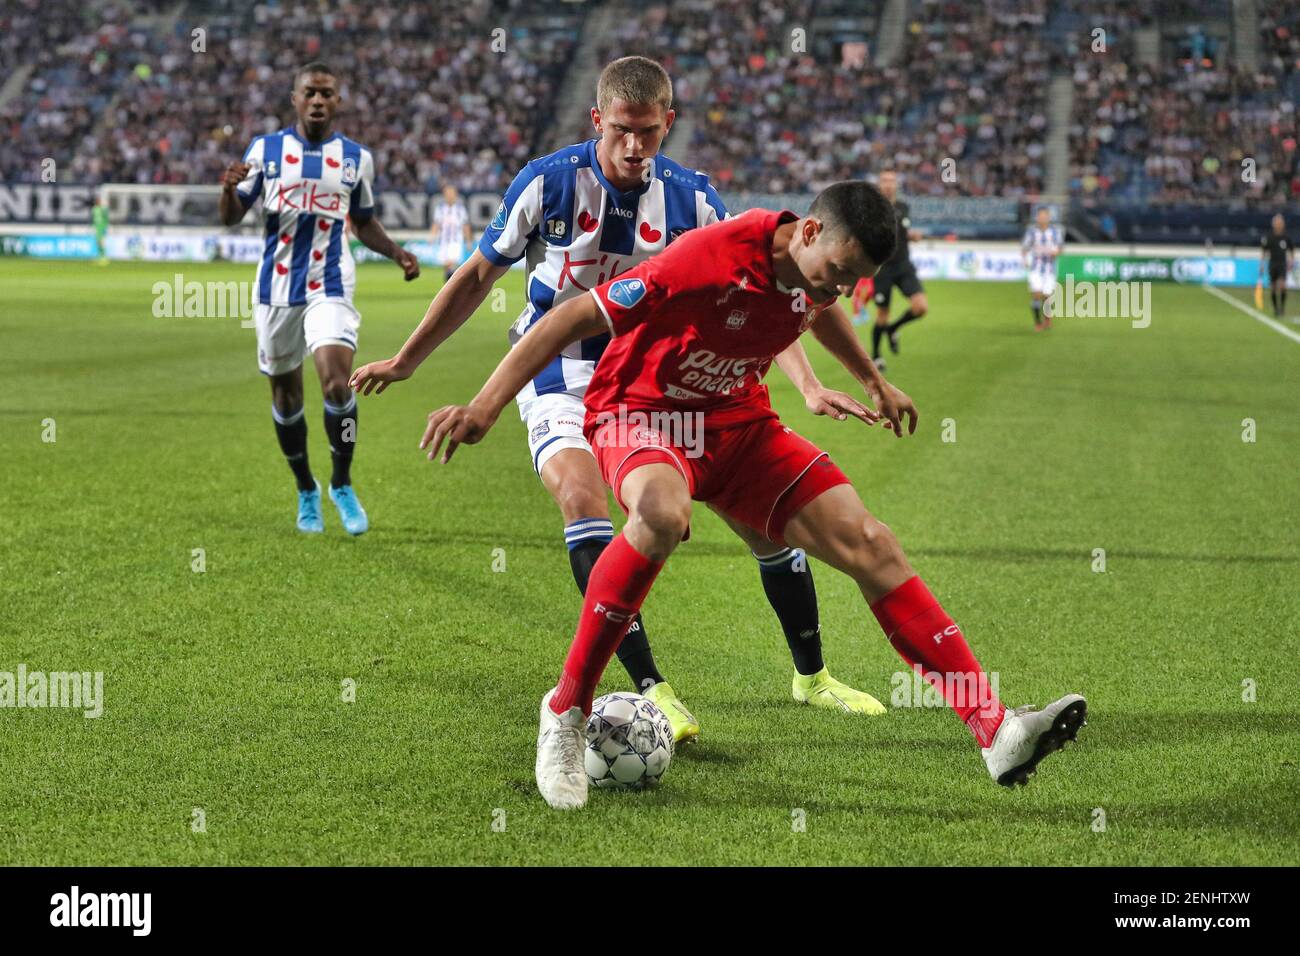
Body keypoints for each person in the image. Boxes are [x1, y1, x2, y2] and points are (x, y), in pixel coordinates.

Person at [419, 180, 1087, 810]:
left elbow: (817, 310)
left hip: (738, 426)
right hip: (643, 414)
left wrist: (870, 380)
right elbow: (570, 318)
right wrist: (483, 405)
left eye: (854, 280)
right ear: (809, 230)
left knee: (872, 544)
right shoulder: (707, 257)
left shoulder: (818, 271)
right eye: (837, 269)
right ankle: (566, 711)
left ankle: (995, 731)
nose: (841, 288)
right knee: (660, 514)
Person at [350, 56, 885, 742]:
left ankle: (812, 676)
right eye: (623, 132)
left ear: (669, 123)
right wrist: (406, 361)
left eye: (649, 133)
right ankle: (651, 686)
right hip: (561, 372)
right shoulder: (548, 183)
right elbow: (478, 274)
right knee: (582, 499)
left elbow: (764, 291)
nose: (635, 147)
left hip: (659, 382)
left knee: (761, 524)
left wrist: (809, 384)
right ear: (598, 121)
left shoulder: (694, 200)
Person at [218, 62, 420, 535]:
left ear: (337, 102)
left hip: (330, 282)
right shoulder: (265, 151)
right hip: (276, 288)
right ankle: (306, 487)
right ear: (294, 98)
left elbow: (364, 220)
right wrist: (226, 188)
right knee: (286, 396)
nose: (318, 101)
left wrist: (396, 253)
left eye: (326, 93)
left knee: (336, 383)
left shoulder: (355, 159)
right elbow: (230, 217)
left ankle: (341, 483)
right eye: (309, 92)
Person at [869, 170, 927, 370]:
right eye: (884, 180)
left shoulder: (903, 207)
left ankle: (893, 329)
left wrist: (912, 236)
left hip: (903, 266)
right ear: (879, 183)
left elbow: (902, 231)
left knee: (920, 307)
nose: (888, 184)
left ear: (896, 184)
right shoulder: (872, 209)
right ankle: (876, 356)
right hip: (882, 268)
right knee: (881, 315)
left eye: (892, 181)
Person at [1022, 207, 1064, 330]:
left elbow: (1060, 248)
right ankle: (1037, 322)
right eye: (1040, 216)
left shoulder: (1055, 232)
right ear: (1037, 218)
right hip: (1036, 267)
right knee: (1036, 293)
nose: (1042, 218)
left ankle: (1047, 319)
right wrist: (1025, 260)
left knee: (1047, 296)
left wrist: (1056, 253)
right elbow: (1025, 248)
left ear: (1048, 218)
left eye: (1045, 216)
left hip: (1050, 268)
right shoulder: (1032, 232)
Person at [430, 184, 471, 285]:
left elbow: (465, 225)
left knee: (451, 262)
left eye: (451, 193)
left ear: (455, 195)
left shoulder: (460, 209)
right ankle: (449, 285)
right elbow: (436, 223)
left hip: (456, 241)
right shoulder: (440, 209)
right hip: (443, 241)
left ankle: (451, 285)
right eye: (447, 193)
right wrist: (432, 236)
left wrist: (468, 240)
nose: (449, 196)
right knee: (446, 265)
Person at [1260, 214, 1293, 318]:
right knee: (1273, 288)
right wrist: (1262, 264)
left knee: (1282, 286)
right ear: (1273, 224)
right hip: (1272, 264)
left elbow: (1291, 250)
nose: (1279, 224)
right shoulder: (1269, 237)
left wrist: (1291, 261)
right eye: (1277, 222)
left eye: (1280, 222)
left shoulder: (1286, 237)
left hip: (1282, 264)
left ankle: (1282, 308)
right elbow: (1264, 252)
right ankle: (1276, 309)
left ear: (1283, 224)